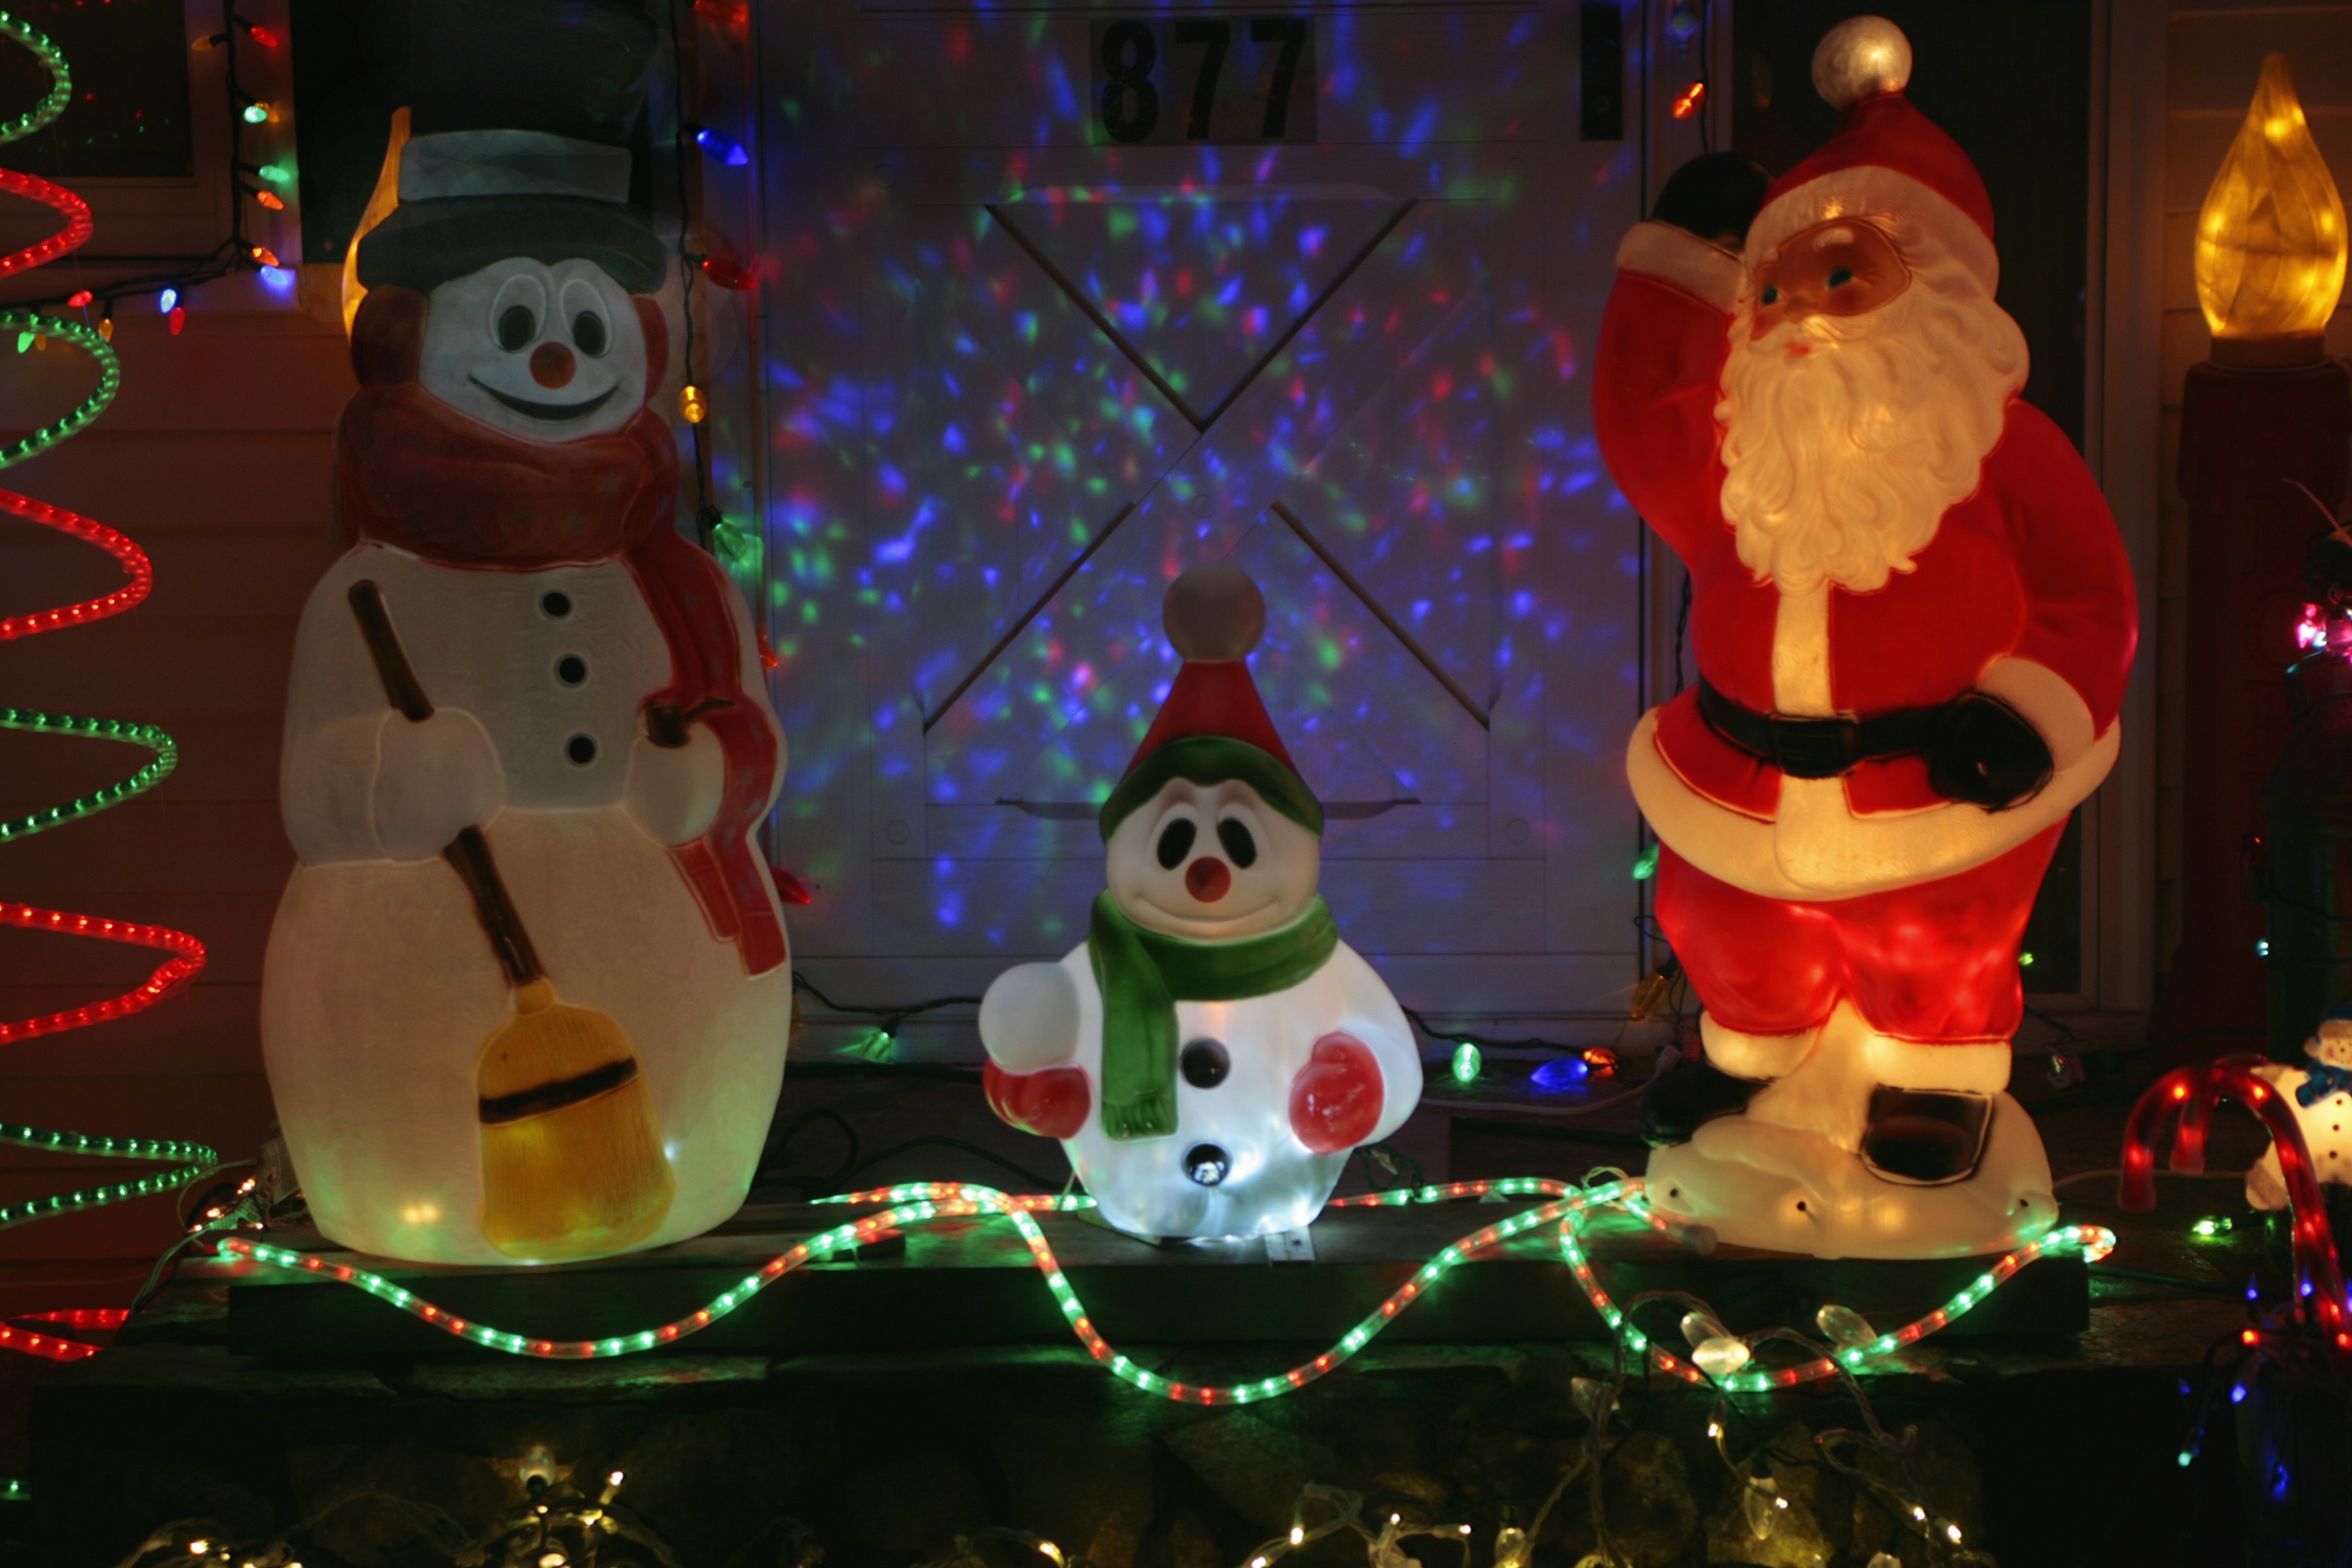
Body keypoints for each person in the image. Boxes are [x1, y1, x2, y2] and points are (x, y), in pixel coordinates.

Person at [1593, 18, 2136, 1255]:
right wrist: (1676, 266)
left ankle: (1931, 1085)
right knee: (1723, 925)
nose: (1797, 317)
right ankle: (1748, 1057)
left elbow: (2088, 598)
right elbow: (1643, 423)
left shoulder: (2005, 449)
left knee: (1937, 944)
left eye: (1842, 279)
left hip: (1932, 783)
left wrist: (2031, 711)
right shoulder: (1743, 454)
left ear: (1932, 292)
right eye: (1772, 290)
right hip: (1738, 776)